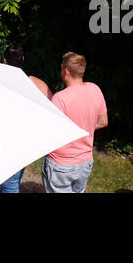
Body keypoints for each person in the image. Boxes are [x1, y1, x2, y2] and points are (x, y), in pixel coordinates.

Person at [42, 51, 108, 193]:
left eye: (61, 67)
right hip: (85, 161)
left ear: (66, 71)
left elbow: (50, 132)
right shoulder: (95, 89)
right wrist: (85, 127)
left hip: (61, 164)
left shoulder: (60, 98)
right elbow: (103, 121)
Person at [0, 45, 52, 193]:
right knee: (13, 179)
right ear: (23, 59)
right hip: (27, 139)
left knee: (10, 184)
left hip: (7, 141)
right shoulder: (36, 83)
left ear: (4, 61)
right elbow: (54, 106)